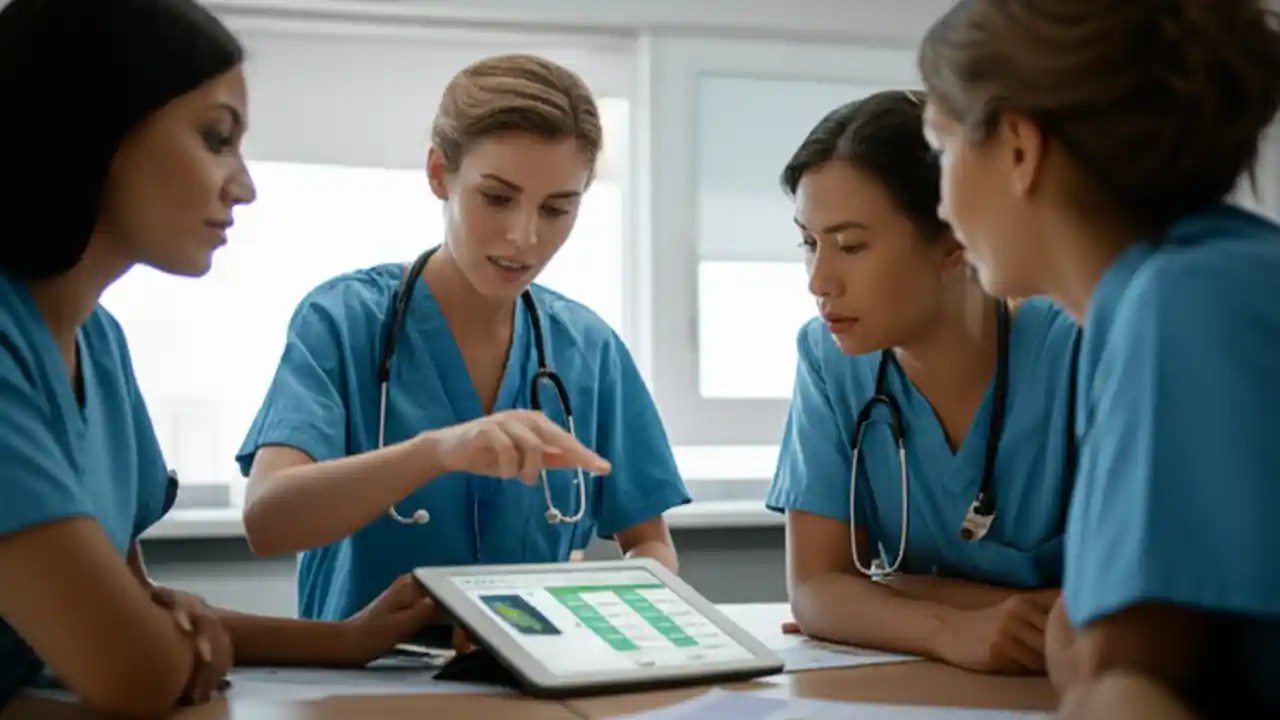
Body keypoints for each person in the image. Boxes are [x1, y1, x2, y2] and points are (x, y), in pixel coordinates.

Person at [0, 1, 439, 716]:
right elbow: (134, 665)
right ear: (95, 123)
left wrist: (346, 641)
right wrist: (166, 636)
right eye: (215, 138)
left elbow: (136, 612)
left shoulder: (97, 345)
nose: (244, 186)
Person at [236, 54, 690, 623]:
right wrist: (439, 451)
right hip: (363, 693)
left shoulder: (588, 349)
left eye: (556, 209)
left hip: (535, 689)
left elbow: (651, 544)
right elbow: (268, 521)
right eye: (497, 198)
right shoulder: (343, 320)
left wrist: (616, 598)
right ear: (438, 174)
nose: (524, 237)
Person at [918, 0, 1280, 714]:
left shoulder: (1180, 306)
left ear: (1019, 150)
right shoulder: (1199, 281)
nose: (940, 203)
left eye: (941, 147)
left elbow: (1118, 679)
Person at [766, 91, 1080, 675]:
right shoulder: (829, 357)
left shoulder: (1077, 348)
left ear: (954, 237)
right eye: (809, 244)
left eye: (851, 245)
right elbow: (815, 589)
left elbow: (1120, 614)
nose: (819, 280)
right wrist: (949, 626)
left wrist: (893, 592)